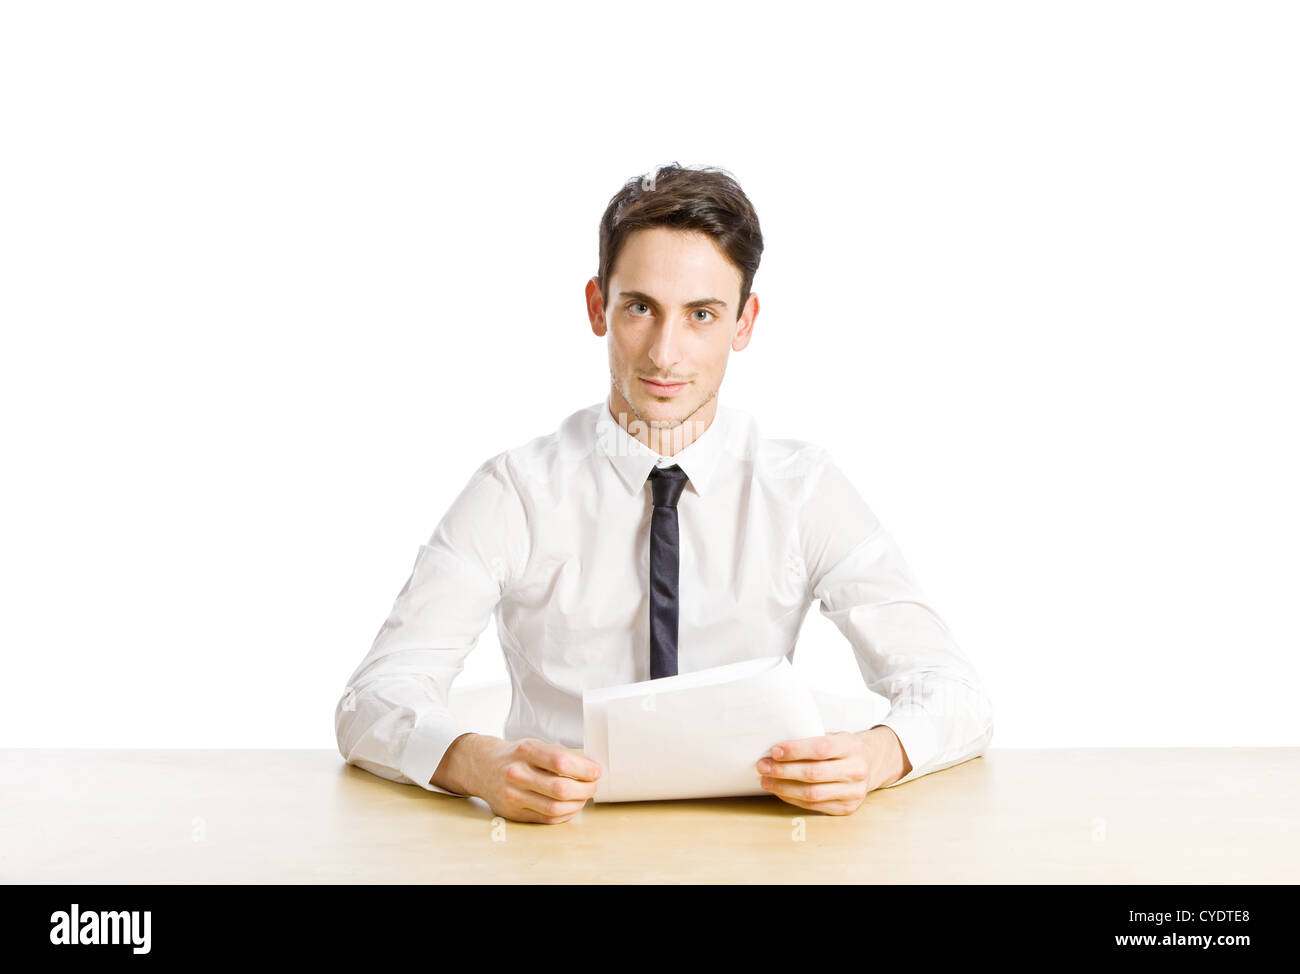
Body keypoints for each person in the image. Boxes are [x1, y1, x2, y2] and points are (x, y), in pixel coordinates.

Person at [335, 162, 994, 824]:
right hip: (560, 843)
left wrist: (877, 756)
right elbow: (372, 698)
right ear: (598, 307)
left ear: (744, 322)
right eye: (641, 308)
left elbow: (955, 693)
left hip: (754, 842)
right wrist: (475, 762)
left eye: (701, 315)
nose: (664, 353)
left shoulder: (803, 491)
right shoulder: (515, 493)